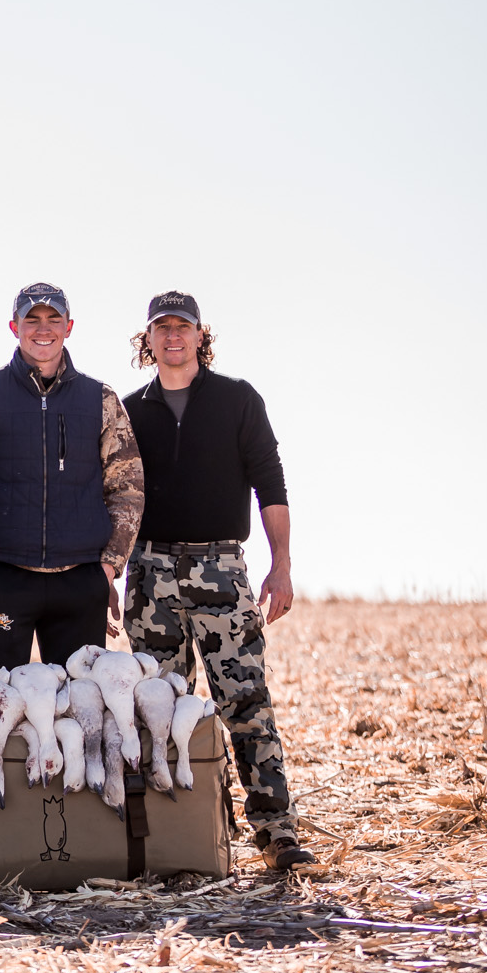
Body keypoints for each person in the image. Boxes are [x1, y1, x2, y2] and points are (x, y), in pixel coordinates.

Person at [122, 290, 311, 872]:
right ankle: (177, 840)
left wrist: (281, 563)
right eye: (161, 328)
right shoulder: (127, 411)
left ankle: (276, 834)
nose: (172, 336)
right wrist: (108, 569)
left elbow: (270, 483)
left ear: (201, 335)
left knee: (246, 704)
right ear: (147, 340)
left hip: (222, 569)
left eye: (183, 326)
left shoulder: (237, 399)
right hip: (149, 574)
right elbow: (110, 497)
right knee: (158, 712)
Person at [0, 283, 145, 676]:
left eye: (54, 319)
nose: (43, 329)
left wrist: (108, 568)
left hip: (81, 583)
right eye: (32, 319)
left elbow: (128, 489)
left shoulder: (101, 400)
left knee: (80, 701)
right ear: (14, 327)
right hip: (1, 578)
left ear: (69, 327)